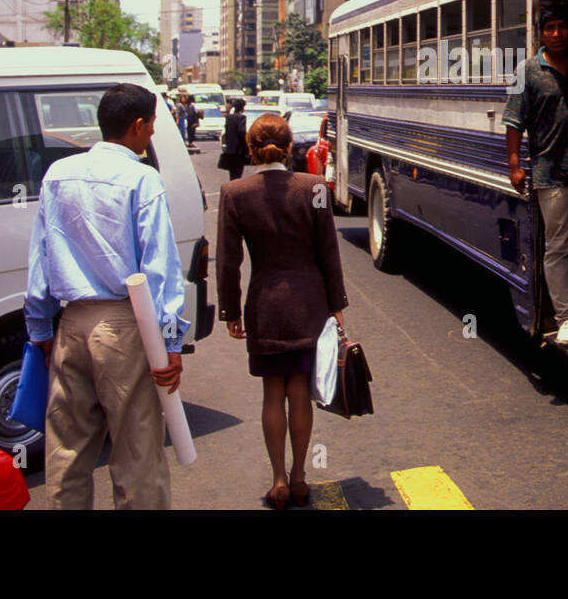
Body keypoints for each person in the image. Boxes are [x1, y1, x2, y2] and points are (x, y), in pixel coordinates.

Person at [25, 82, 189, 510]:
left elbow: (40, 259)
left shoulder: (57, 174)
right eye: (152, 125)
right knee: (137, 452)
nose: (152, 133)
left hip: (72, 323)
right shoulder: (142, 179)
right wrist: (171, 343)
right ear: (137, 126)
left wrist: (40, 327)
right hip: (124, 326)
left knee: (67, 449)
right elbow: (160, 271)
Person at [217, 113, 347, 510]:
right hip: (308, 303)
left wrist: (230, 310)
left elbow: (227, 261)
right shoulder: (314, 187)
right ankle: (300, 477)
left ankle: (276, 481)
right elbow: (329, 253)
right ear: (290, 148)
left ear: (251, 151)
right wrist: (336, 307)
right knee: (299, 392)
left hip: (264, 304)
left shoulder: (234, 192)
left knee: (272, 392)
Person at [503, 6, 568, 347]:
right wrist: (514, 165)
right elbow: (512, 122)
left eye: (563, 26)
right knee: (559, 246)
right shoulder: (528, 70)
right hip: (551, 173)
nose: (557, 33)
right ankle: (566, 319)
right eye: (550, 28)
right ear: (540, 35)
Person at [218, 97, 248, 181]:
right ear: (242, 107)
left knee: (232, 175)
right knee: (238, 174)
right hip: (239, 151)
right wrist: (246, 147)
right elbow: (241, 132)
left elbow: (227, 133)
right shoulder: (242, 118)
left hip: (230, 150)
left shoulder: (229, 117)